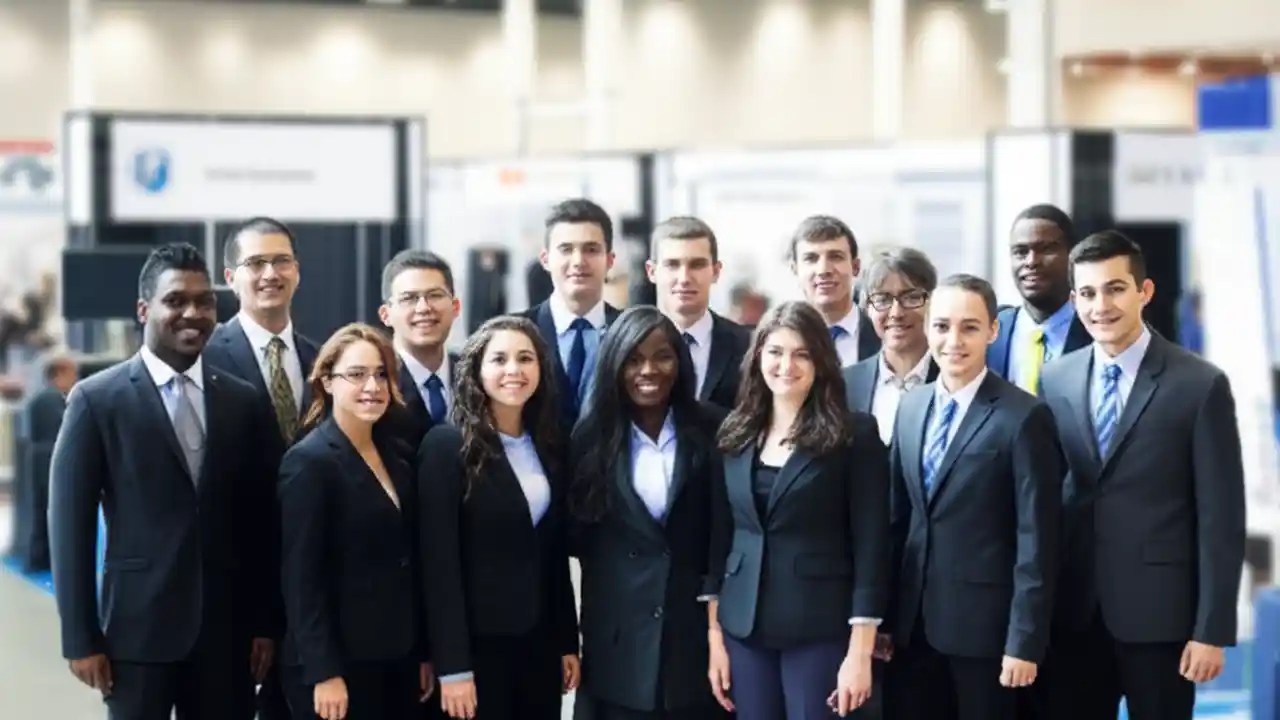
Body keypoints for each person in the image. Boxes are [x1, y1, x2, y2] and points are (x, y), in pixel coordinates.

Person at [48, 243, 275, 720]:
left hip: (226, 632)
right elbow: (69, 526)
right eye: (176, 301)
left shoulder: (242, 400)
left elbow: (260, 521)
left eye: (204, 301)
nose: (192, 313)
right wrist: (79, 636)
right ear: (144, 308)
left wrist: (265, 622)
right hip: (135, 633)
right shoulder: (96, 400)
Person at [1037, 231, 1246, 720]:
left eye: (1114, 289)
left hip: (1163, 621)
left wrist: (1211, 629)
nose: (1100, 305)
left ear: (1144, 292)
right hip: (1074, 615)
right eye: (1087, 293)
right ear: (1073, 299)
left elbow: (1222, 518)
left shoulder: (1198, 384)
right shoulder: (1056, 379)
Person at [886, 274, 1061, 720]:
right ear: (927, 328)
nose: (953, 341)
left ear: (992, 331)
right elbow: (896, 521)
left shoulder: (1024, 416)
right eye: (942, 326)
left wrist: (1024, 641)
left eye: (969, 327)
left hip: (987, 637)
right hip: (911, 632)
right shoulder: (910, 407)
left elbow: (1036, 541)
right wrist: (884, 619)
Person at [705, 301, 889, 719]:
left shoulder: (853, 434)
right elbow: (720, 537)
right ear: (758, 358)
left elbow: (872, 546)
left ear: (820, 361)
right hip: (744, 627)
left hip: (819, 629)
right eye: (775, 352)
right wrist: (715, 636)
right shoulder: (735, 432)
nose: (786, 364)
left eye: (801, 353)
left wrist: (860, 653)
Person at [418, 316, 581, 720]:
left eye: (526, 359)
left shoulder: (548, 443)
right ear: (476, 370)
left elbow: (551, 552)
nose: (514, 370)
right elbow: (439, 566)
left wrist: (566, 640)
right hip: (477, 649)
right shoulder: (446, 445)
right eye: (500, 359)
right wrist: (452, 666)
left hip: (539, 645)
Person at [569, 306, 727, 720]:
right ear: (614, 363)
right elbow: (577, 540)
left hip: (695, 637)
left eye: (663, 356)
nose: (649, 370)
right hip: (618, 643)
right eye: (634, 359)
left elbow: (724, 532)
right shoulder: (589, 439)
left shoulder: (715, 429)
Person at [278, 323, 429, 720]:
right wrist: (324, 672)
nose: (373, 386)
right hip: (337, 667)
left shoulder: (396, 455)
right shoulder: (308, 463)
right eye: (357, 374)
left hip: (394, 658)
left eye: (381, 374)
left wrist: (422, 653)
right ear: (327, 381)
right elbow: (300, 579)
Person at [203, 216, 320, 719]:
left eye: (281, 261)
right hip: (231, 593)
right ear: (231, 277)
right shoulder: (203, 360)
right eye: (255, 263)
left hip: (313, 590)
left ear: (297, 271)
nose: (270, 273)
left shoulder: (324, 362)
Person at [517, 198, 622, 430]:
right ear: (545, 259)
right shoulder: (514, 332)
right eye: (566, 249)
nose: (578, 261)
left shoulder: (629, 332)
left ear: (609, 260)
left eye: (591, 249)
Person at [645, 216, 751, 411]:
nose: (684, 278)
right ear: (652, 272)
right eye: (672, 265)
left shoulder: (747, 347)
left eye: (697, 265)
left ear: (716, 271)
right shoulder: (628, 346)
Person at [987, 204, 1091, 394]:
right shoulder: (990, 331)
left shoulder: (1097, 332)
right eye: (1020, 252)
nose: (1032, 261)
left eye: (1046, 249)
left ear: (1073, 256)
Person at [843, 248, 939, 445]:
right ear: (866, 308)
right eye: (883, 299)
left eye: (911, 297)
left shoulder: (952, 380)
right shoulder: (845, 385)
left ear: (933, 302)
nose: (896, 312)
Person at [378, 249, 462, 459]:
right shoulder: (373, 381)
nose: (423, 308)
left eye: (434, 295)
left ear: (455, 307)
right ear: (386, 315)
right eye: (409, 298)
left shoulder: (476, 375)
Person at [11, 353, 77, 572]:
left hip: (40, 461)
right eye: (71, 374)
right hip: (47, 462)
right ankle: (40, 560)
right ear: (59, 373)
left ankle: (40, 559)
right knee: (47, 511)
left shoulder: (43, 398)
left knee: (42, 511)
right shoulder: (50, 399)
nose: (75, 379)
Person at [788, 216, 880, 367]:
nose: (824, 270)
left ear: (856, 267)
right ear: (795, 269)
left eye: (835, 257)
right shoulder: (777, 341)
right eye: (811, 259)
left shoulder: (883, 335)